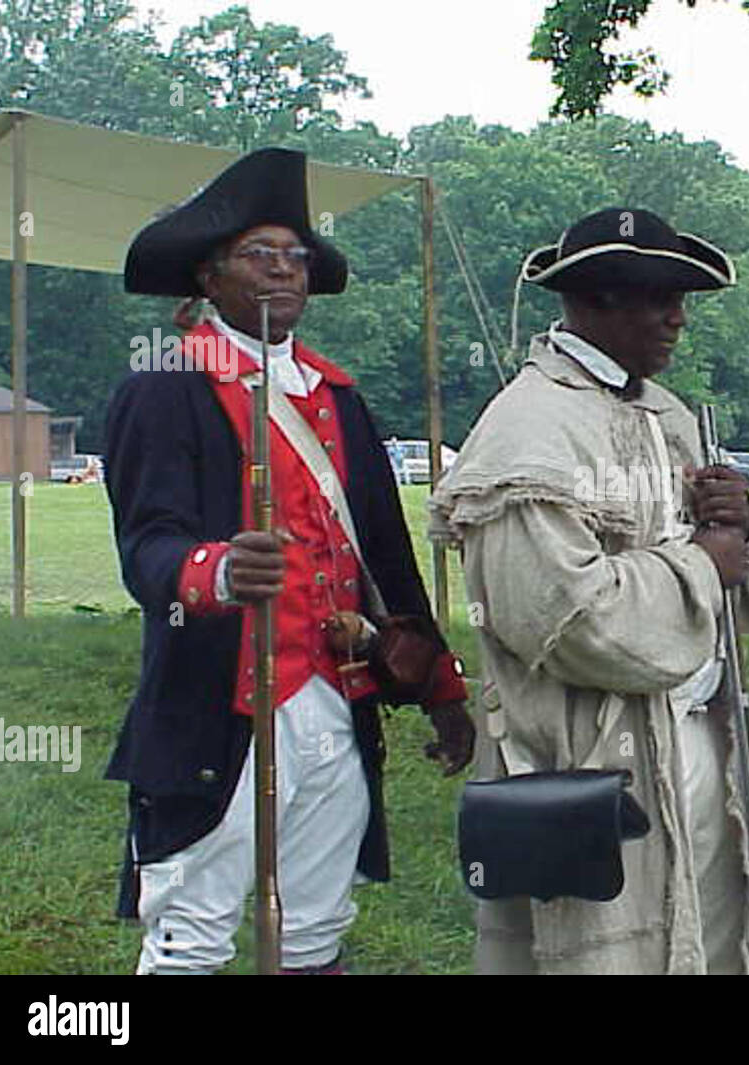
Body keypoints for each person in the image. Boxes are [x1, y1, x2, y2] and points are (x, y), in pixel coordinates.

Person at [104, 147, 474, 975]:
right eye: (258, 254)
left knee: (314, 925)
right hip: (218, 698)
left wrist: (440, 687)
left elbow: (386, 553)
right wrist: (221, 570)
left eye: (295, 256)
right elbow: (147, 543)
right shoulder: (165, 386)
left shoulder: (337, 395)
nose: (283, 270)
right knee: (191, 930)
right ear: (209, 275)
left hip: (333, 700)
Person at [430, 207, 749, 974]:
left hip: (693, 741)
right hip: (588, 758)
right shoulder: (526, 433)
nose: (677, 318)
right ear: (590, 299)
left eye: (682, 297)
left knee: (711, 947)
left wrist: (739, 525)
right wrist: (702, 561)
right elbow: (568, 620)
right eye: (655, 296)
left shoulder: (664, 414)